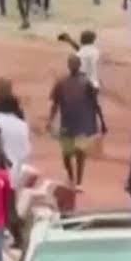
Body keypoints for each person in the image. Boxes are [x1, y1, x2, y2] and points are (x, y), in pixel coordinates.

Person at [47, 54, 105, 189]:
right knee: (66, 154)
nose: (72, 66)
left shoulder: (86, 83)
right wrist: (50, 120)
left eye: (75, 64)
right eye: (70, 64)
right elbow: (55, 104)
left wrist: (102, 121)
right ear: (68, 65)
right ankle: (71, 177)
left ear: (79, 65)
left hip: (82, 124)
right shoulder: (61, 83)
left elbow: (95, 103)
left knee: (80, 153)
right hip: (67, 123)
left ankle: (78, 182)